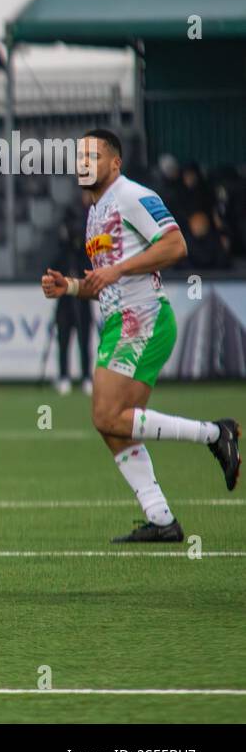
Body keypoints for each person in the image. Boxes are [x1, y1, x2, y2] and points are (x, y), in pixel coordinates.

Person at [41, 129, 240, 543]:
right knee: (114, 426)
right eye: (80, 157)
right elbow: (106, 280)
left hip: (143, 319)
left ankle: (216, 434)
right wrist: (73, 288)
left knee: (106, 416)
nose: (84, 163)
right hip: (121, 320)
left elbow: (175, 245)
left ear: (115, 163)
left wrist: (116, 271)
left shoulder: (131, 194)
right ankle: (161, 518)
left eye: (93, 156)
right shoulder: (96, 212)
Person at [49, 212, 93, 396]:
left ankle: (86, 377)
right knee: (63, 342)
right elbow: (52, 268)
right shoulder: (61, 252)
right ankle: (64, 376)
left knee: (85, 342)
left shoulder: (84, 252)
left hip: (82, 301)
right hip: (65, 304)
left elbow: (89, 271)